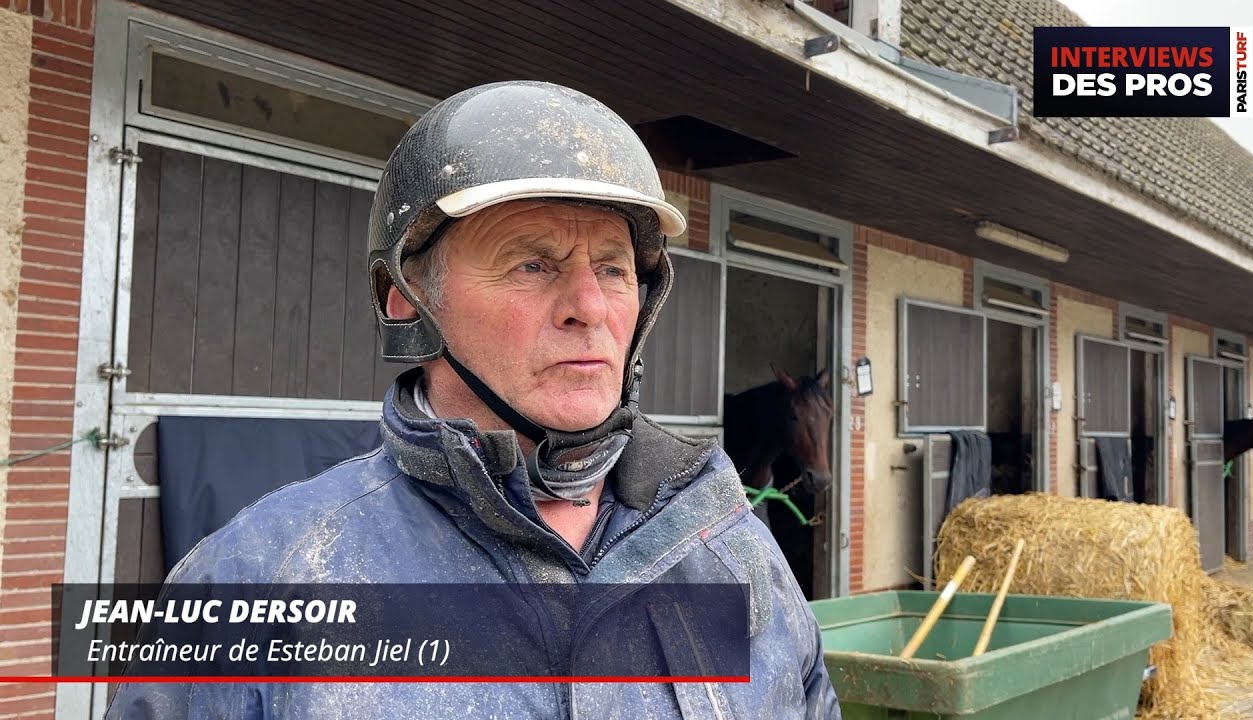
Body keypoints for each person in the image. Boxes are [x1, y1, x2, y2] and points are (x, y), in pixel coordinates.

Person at [105, 80, 840, 719]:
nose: (590, 306)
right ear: (405, 302)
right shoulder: (257, 581)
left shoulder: (733, 548)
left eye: (614, 269)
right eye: (531, 262)